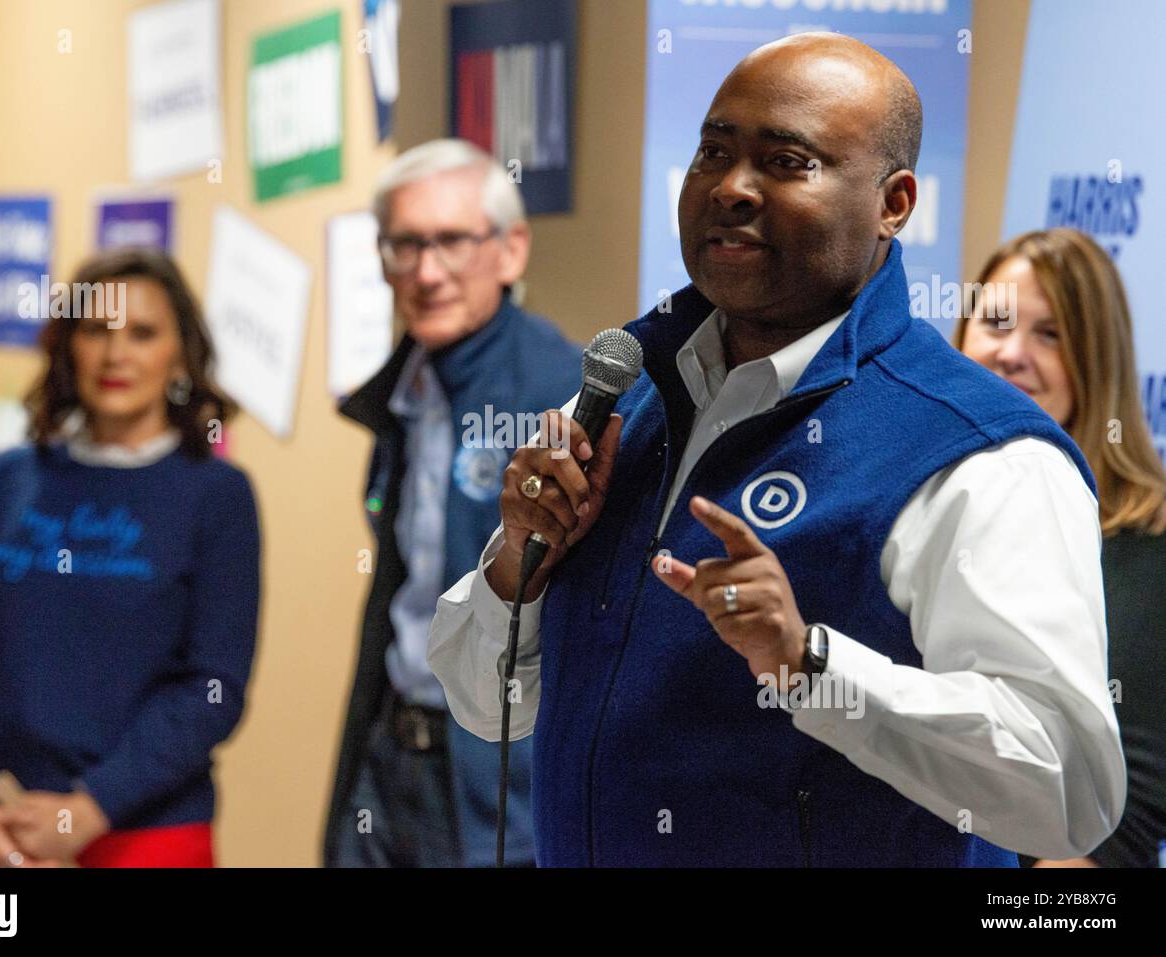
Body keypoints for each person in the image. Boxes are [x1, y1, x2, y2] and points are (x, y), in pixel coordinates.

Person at [428, 33, 1126, 866]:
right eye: (712, 152)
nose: (731, 188)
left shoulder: (981, 456)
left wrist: (808, 662)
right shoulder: (625, 397)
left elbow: (1067, 790)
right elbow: (487, 703)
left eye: (786, 162)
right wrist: (519, 564)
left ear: (892, 202)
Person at [0, 248, 260, 868]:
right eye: (95, 330)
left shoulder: (216, 495)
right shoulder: (5, 480)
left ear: (179, 352)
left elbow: (214, 689)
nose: (115, 355)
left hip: (145, 836)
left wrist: (90, 809)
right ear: (66, 344)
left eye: (142, 333)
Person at [326, 139, 581, 867]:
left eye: (451, 242)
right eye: (405, 244)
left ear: (510, 251)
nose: (427, 271)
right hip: (392, 748)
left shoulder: (562, 392)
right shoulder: (404, 392)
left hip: (499, 777)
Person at [956, 227, 1166, 867]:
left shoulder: (1145, 541)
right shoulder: (913, 502)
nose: (1011, 353)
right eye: (996, 322)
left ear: (1096, 358)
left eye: (1050, 334)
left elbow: (1122, 814)